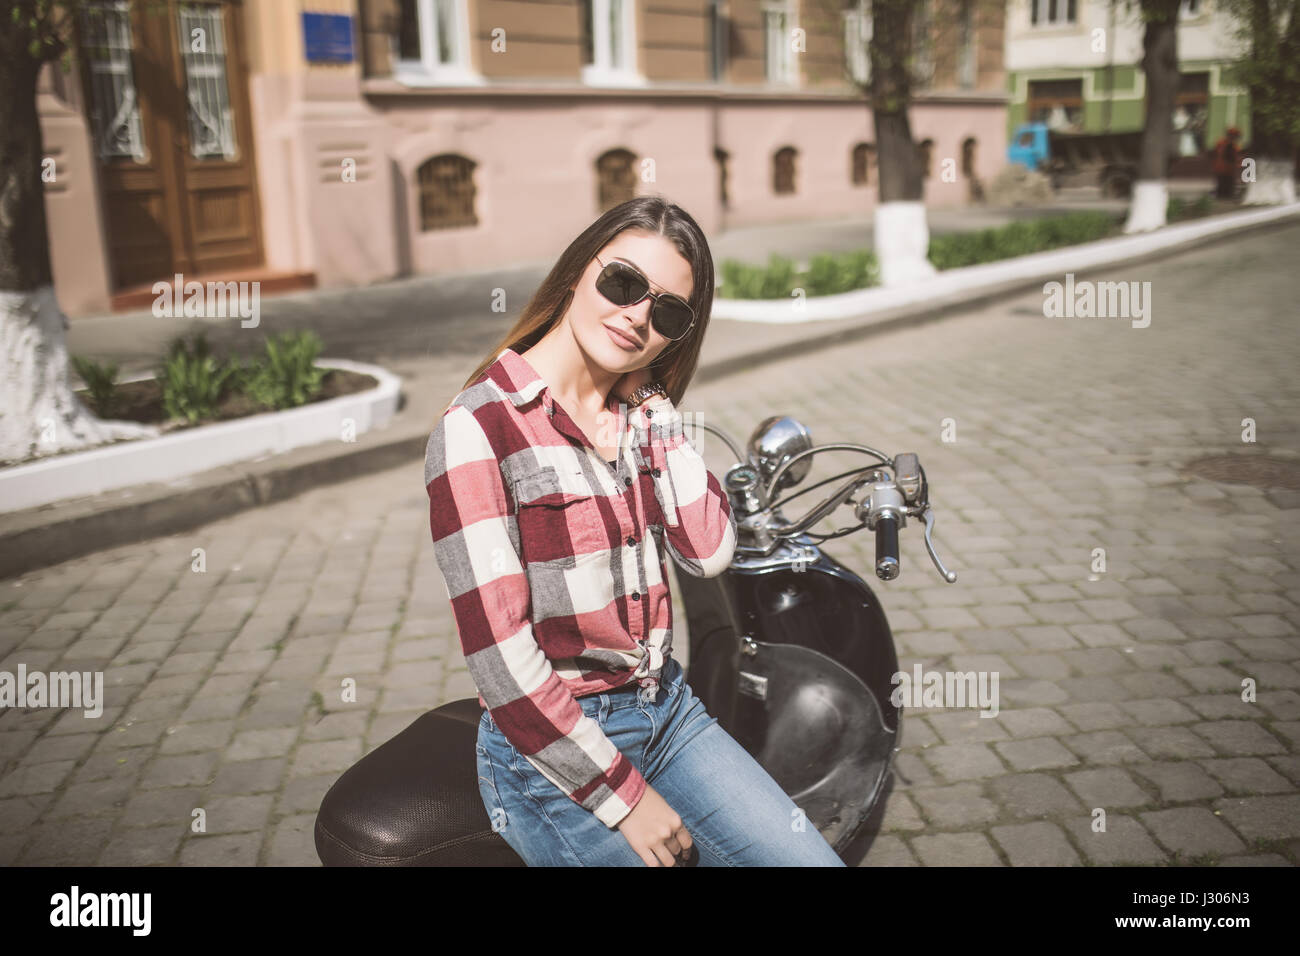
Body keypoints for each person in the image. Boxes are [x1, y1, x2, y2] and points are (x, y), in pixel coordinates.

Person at [423, 196, 845, 867]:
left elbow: (708, 552)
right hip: (555, 750)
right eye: (622, 283)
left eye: (667, 313)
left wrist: (653, 402)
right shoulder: (478, 429)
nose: (636, 316)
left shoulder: (639, 414)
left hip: (666, 709)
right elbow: (501, 662)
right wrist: (625, 798)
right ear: (576, 271)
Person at [1211, 126, 1242, 199]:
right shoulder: (1226, 145)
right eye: (1234, 136)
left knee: (1226, 189)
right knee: (1224, 189)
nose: (1235, 138)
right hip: (1224, 170)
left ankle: (1223, 197)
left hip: (1226, 170)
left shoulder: (1223, 144)